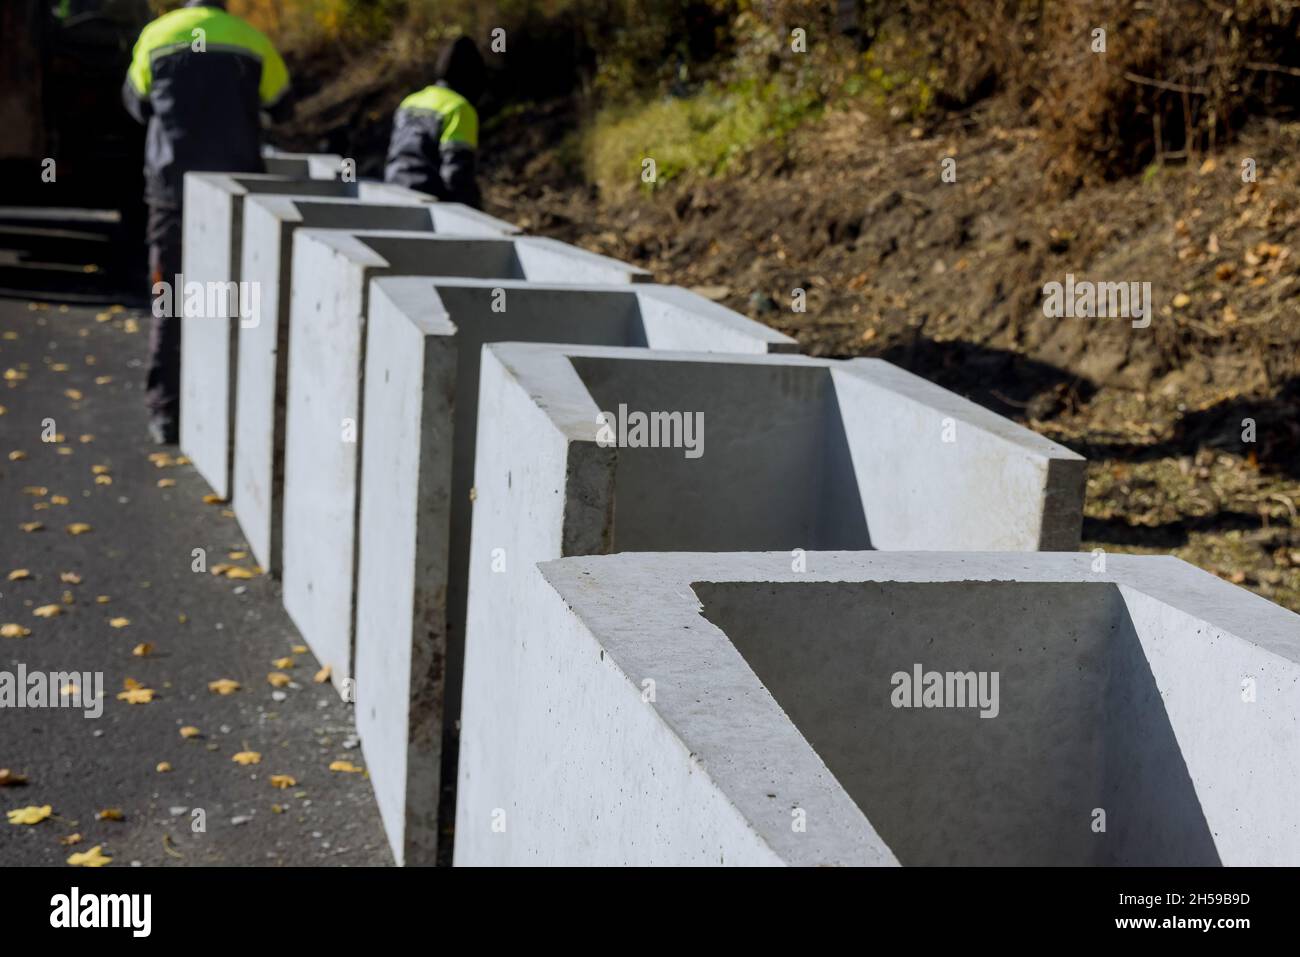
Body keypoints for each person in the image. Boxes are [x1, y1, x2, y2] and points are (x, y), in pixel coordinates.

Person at [121, 0, 292, 444]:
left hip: (171, 193)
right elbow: (283, 105)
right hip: (238, 195)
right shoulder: (250, 39)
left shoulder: (157, 36)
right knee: (234, 304)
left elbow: (137, 106)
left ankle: (166, 412)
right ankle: (228, 416)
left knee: (171, 301)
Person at [384, 36, 485, 209]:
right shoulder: (459, 108)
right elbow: (457, 176)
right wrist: (475, 215)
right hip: (429, 201)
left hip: (394, 191)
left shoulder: (410, 101)